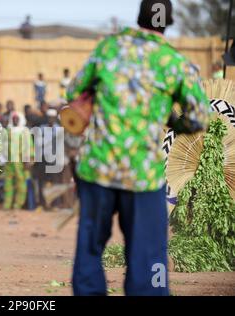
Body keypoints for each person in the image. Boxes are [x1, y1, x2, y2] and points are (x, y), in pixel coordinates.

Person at [68, 0, 209, 296]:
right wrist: (171, 118)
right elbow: (198, 118)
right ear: (167, 23)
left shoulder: (109, 49)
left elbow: (73, 91)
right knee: (148, 259)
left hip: (98, 170)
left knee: (89, 249)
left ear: (139, 18)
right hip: (142, 177)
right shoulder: (175, 63)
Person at [3, 112, 31, 210]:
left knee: (21, 183)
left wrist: (28, 160)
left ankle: (18, 205)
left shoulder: (24, 131)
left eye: (17, 118)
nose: (15, 120)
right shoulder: (8, 130)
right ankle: (7, 205)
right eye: (13, 118)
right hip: (9, 162)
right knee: (8, 184)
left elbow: (29, 146)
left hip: (20, 162)